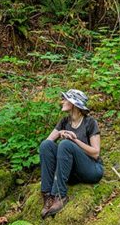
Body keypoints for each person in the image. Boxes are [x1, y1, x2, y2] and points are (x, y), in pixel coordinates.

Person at [39, 89, 103, 218]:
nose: (62, 101)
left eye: (66, 99)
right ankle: (47, 195)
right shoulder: (64, 122)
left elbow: (95, 153)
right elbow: (47, 145)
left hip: (91, 169)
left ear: (74, 103)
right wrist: (61, 133)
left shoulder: (90, 122)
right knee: (45, 145)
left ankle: (60, 195)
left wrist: (74, 140)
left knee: (65, 144)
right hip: (71, 172)